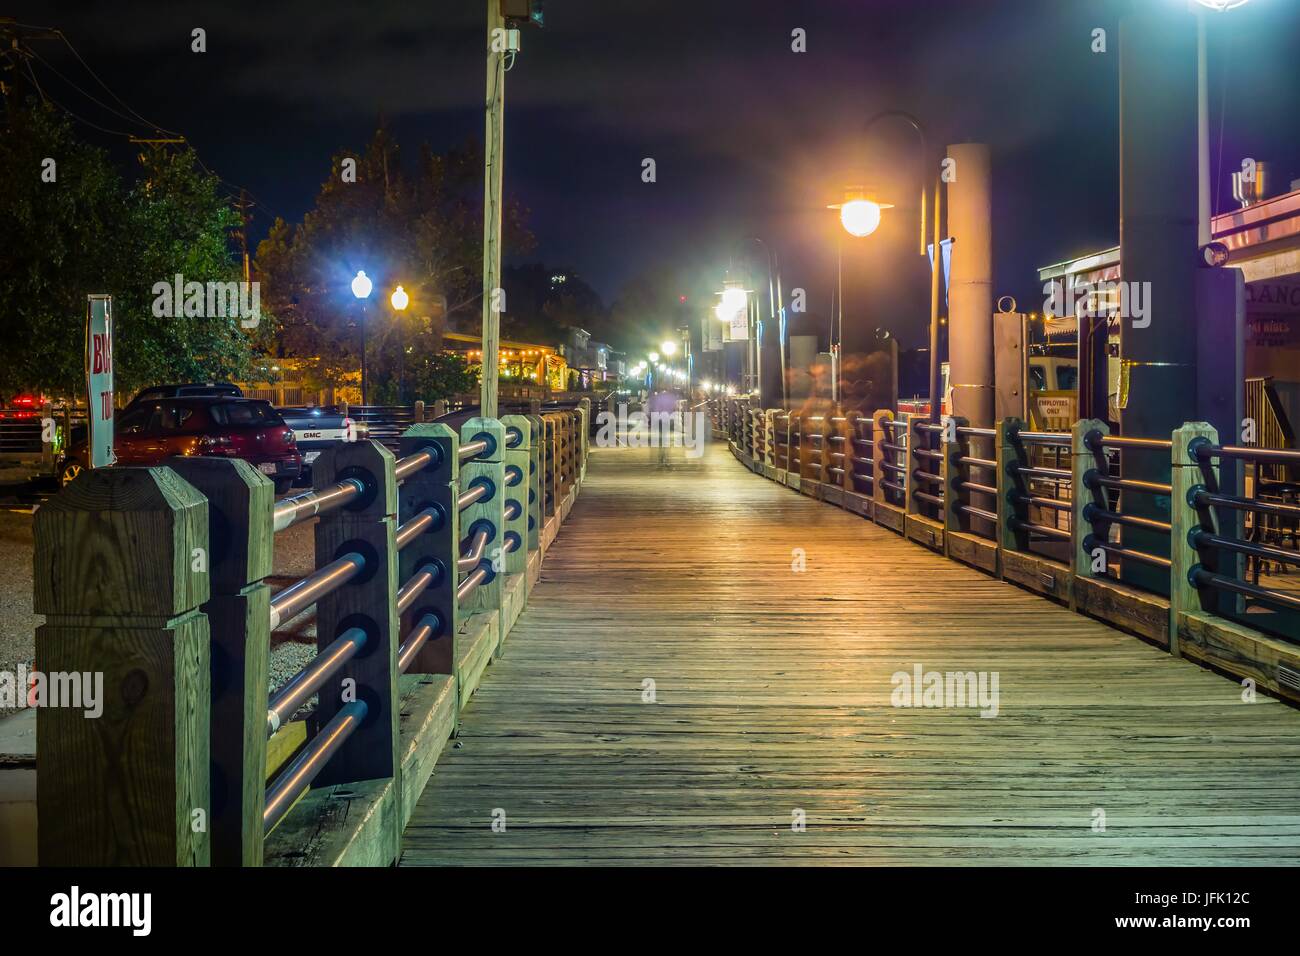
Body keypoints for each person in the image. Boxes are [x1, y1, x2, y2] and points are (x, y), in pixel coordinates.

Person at [645, 388, 680, 466]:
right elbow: (675, 408)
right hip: (668, 420)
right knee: (667, 439)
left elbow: (654, 409)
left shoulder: (657, 397)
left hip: (660, 420)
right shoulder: (672, 397)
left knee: (661, 439)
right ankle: (667, 458)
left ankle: (661, 457)